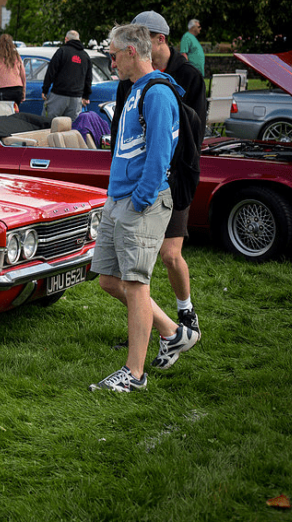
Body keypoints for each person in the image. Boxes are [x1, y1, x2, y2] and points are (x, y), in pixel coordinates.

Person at [90, 22, 199, 392]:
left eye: (113, 54)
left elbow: (159, 155)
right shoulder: (134, 89)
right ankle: (172, 332)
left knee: (136, 284)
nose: (111, 61)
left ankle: (134, 374)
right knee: (109, 280)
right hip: (119, 199)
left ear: (132, 52)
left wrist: (140, 198)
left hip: (140, 201)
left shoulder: (157, 93)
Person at [109, 10, 206, 344]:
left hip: (170, 180)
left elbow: (188, 135)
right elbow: (124, 128)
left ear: (156, 40)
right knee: (126, 275)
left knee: (169, 256)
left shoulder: (183, 77)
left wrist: (145, 193)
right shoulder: (131, 81)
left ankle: (185, 311)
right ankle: (160, 328)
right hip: (136, 185)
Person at [41, 30, 92, 122]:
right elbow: (88, 78)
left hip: (59, 94)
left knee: (50, 123)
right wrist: (86, 96)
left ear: (66, 39)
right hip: (76, 98)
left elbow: (51, 71)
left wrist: (45, 89)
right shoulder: (85, 56)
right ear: (79, 40)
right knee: (72, 127)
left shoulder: (62, 51)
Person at [0, 34, 25, 104]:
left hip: (2, 90)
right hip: (17, 88)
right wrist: (23, 92)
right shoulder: (17, 57)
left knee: (4, 113)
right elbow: (23, 75)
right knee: (15, 112)